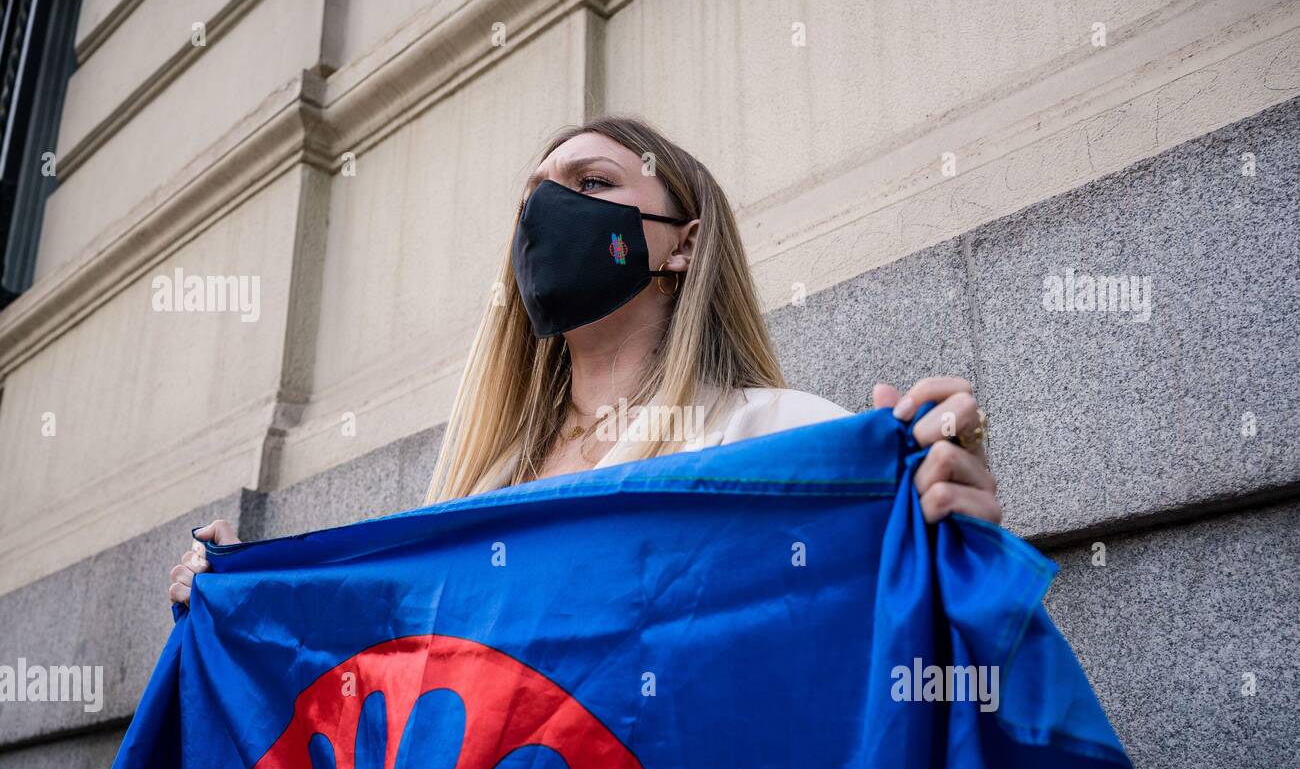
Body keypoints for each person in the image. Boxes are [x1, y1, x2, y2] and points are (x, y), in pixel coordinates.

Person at [169, 116, 999, 607]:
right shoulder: (476, 492)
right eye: (534, 194)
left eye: (591, 182)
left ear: (684, 243)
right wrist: (250, 596)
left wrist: (949, 537)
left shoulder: (783, 437)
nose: (545, 213)